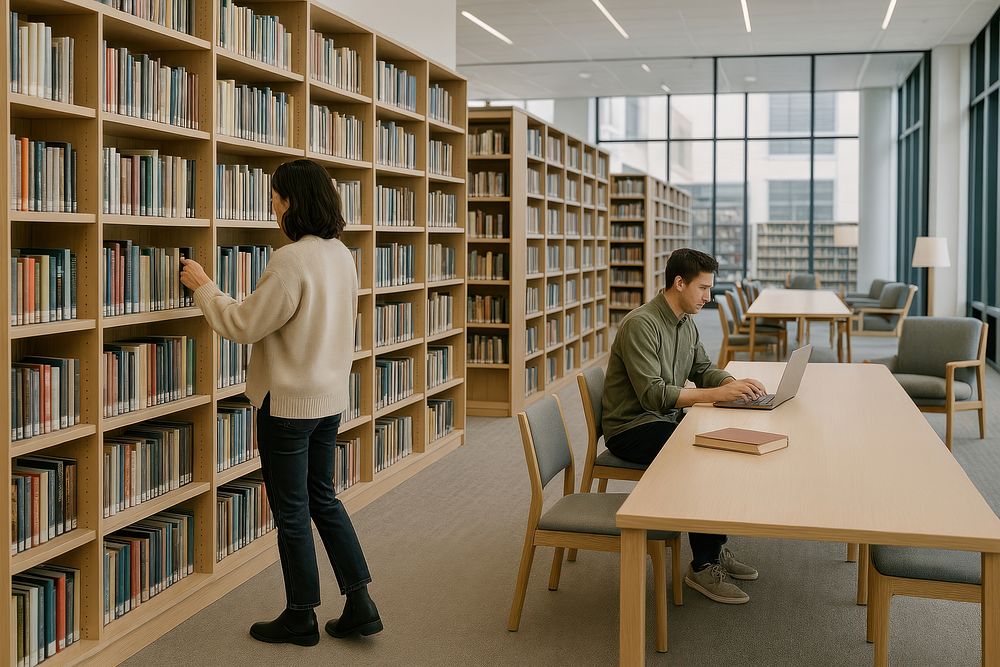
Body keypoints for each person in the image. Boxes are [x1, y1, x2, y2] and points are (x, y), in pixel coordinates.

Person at [180, 159, 381, 645]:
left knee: (292, 512)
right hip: (329, 400)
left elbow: (243, 325)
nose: (272, 208)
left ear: (294, 202)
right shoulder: (341, 255)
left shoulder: (291, 260)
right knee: (324, 500)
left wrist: (204, 286)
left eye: (275, 198)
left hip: (289, 406)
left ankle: (300, 616)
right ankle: (360, 603)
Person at [601, 248, 767, 605]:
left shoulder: (685, 324)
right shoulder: (641, 325)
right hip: (632, 427)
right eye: (703, 288)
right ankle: (703, 567)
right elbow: (652, 395)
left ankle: (715, 549)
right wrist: (716, 394)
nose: (709, 297)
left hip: (664, 419)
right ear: (679, 283)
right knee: (704, 460)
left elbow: (703, 368)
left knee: (721, 451)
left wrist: (734, 383)